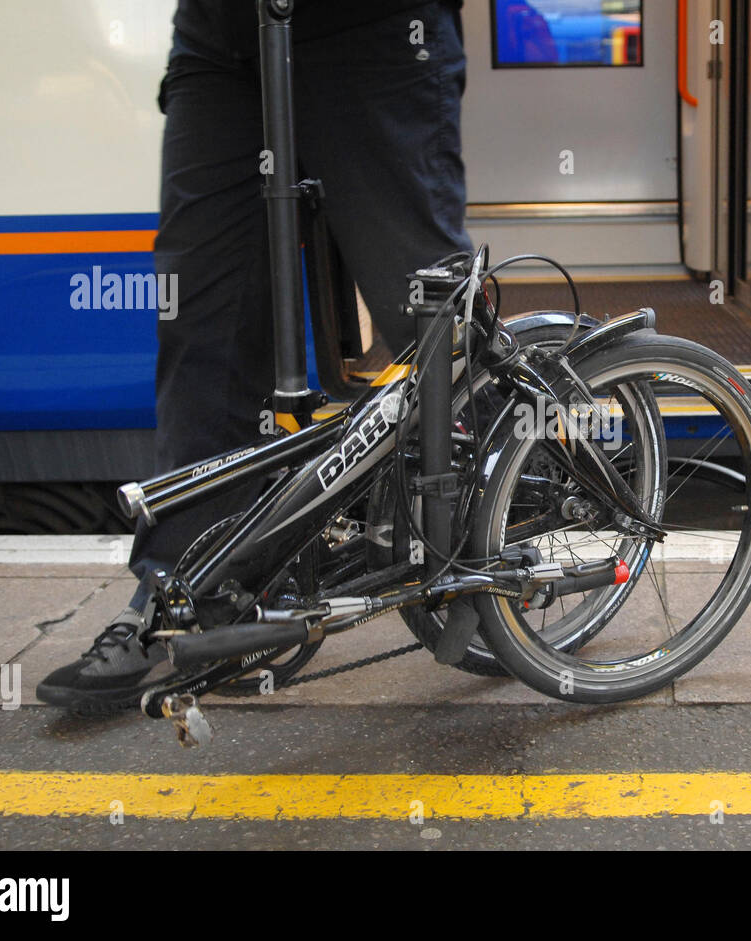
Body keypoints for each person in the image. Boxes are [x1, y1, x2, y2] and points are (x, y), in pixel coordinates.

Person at [37, 0, 470, 713]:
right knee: (202, 316)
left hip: (378, 24)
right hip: (224, 34)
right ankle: (184, 585)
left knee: (424, 304)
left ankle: (492, 537)